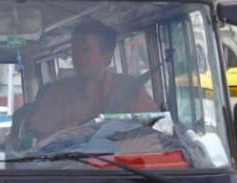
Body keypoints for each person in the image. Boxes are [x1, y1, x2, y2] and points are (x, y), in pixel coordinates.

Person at [19, 18, 158, 140]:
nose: (77, 57)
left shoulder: (129, 89)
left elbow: (156, 132)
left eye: (85, 50)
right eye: (74, 51)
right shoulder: (57, 93)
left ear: (106, 56)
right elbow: (37, 141)